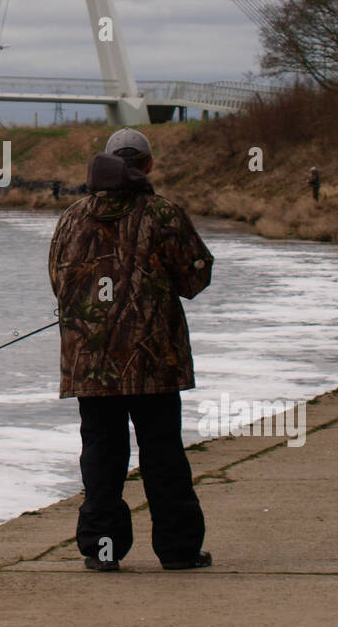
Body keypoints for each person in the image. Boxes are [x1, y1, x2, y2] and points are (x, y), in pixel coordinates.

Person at [48, 128, 214, 572]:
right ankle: (179, 552)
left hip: (90, 362)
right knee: (163, 455)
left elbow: (59, 283)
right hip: (154, 361)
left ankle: (102, 553)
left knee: (101, 456)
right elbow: (195, 278)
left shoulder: (72, 217)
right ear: (148, 165)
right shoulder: (164, 214)